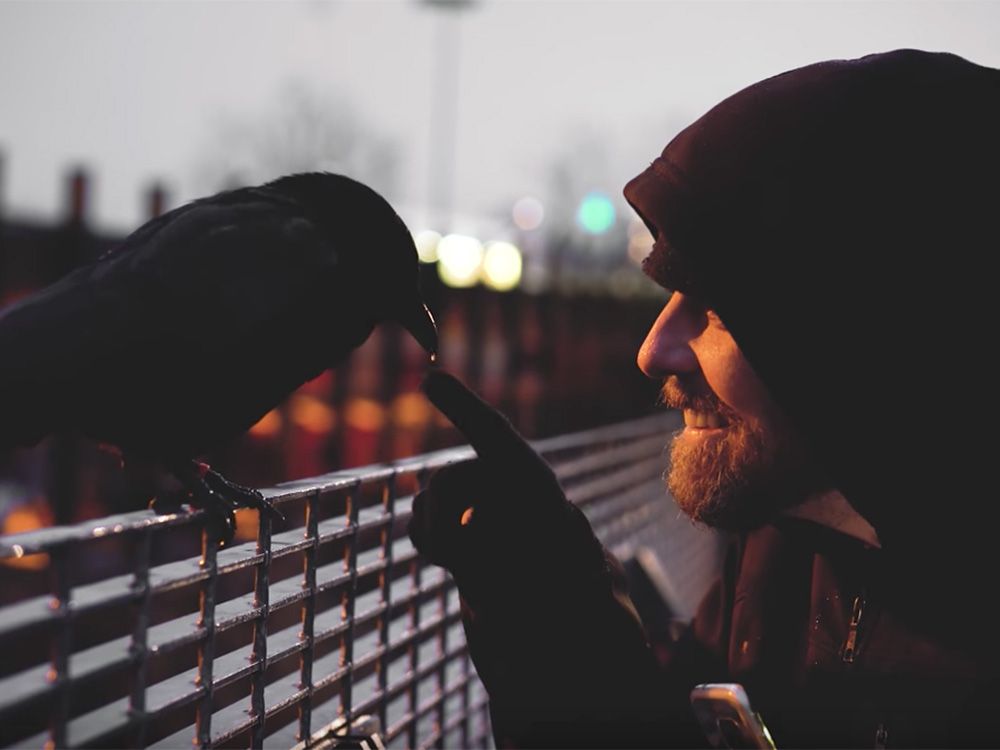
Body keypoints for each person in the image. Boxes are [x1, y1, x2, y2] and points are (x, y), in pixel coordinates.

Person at [408, 48, 1000, 748]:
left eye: (716, 308)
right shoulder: (781, 544)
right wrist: (557, 623)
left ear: (861, 335)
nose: (653, 350)